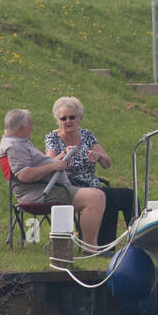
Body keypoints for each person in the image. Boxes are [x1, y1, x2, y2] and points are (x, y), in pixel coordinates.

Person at [0, 108, 104, 248]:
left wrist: (60, 158)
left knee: (99, 194)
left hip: (49, 188)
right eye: (30, 125)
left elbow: (40, 163)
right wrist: (53, 167)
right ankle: (90, 248)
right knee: (92, 197)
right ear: (21, 127)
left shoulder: (19, 142)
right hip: (39, 193)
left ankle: (91, 245)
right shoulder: (14, 146)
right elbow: (24, 175)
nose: (33, 129)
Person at [45, 95, 136, 247]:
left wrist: (99, 156)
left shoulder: (87, 135)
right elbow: (50, 163)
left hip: (92, 183)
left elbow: (107, 163)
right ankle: (104, 245)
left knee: (130, 195)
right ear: (58, 120)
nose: (68, 121)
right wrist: (64, 155)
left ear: (79, 118)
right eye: (63, 118)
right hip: (70, 185)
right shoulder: (53, 138)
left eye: (72, 117)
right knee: (110, 195)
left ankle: (137, 241)